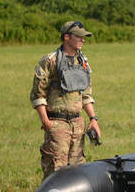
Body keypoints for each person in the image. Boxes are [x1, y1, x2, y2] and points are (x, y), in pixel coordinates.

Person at [30, 21, 101, 177]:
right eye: (79, 37)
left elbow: (86, 95)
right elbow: (38, 94)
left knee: (78, 172)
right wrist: (46, 122)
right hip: (57, 124)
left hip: (77, 124)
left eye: (84, 37)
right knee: (55, 171)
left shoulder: (82, 62)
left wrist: (93, 119)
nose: (83, 40)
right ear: (66, 37)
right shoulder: (50, 61)